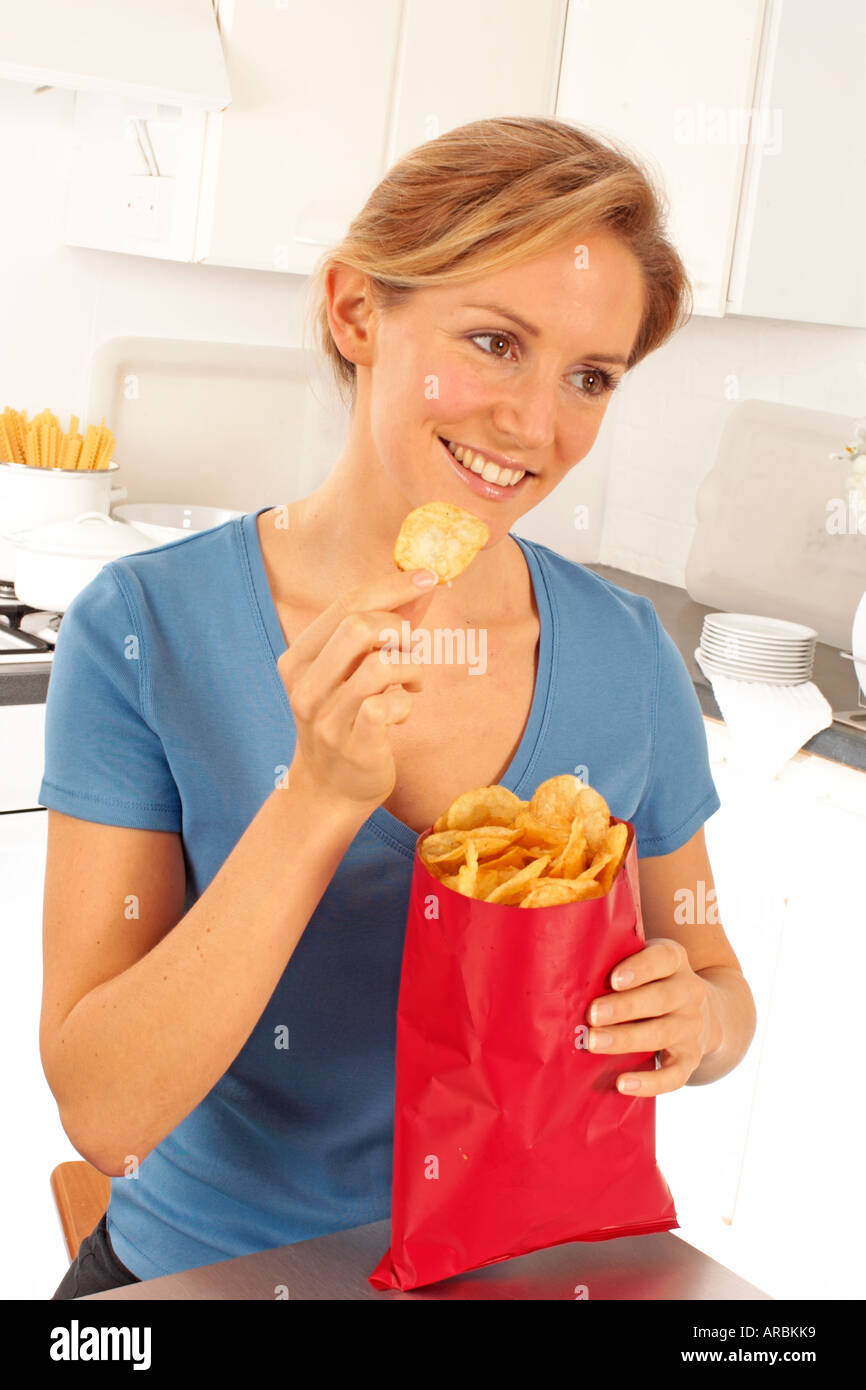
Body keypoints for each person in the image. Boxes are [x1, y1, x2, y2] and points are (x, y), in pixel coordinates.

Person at [43, 115, 755, 1299]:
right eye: (492, 342)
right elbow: (105, 1116)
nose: (533, 425)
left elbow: (717, 980)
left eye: (588, 378)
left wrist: (698, 1023)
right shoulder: (144, 627)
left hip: (532, 1264)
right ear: (355, 312)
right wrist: (314, 798)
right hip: (219, 1276)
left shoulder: (628, 653)